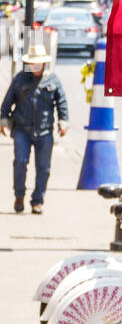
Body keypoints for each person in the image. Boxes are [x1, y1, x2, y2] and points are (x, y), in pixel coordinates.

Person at [1, 48, 69, 214]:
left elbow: (62, 103)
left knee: (44, 168)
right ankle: (19, 195)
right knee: (20, 162)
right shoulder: (20, 78)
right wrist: (3, 121)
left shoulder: (53, 80)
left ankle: (37, 201)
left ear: (44, 63)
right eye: (32, 62)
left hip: (44, 131)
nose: (35, 66)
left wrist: (63, 122)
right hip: (22, 129)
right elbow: (7, 102)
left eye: (38, 62)